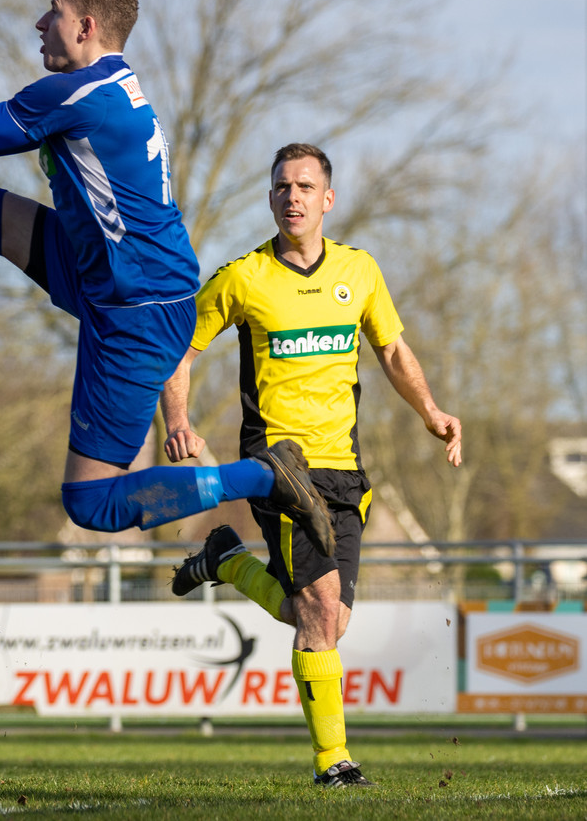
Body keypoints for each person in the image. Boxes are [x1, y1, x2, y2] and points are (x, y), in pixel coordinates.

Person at [0, 0, 334, 544]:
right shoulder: (99, 88)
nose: (40, 23)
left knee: (90, 502)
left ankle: (264, 476)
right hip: (111, 279)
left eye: (56, 14)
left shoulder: (78, 96)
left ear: (87, 26)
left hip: (134, 314)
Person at [160, 142, 463, 788]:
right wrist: (177, 422)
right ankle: (335, 765)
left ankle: (225, 560)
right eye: (279, 187)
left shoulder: (360, 270)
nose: (290, 197)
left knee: (327, 619)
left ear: (326, 199)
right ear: (268, 198)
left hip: (343, 469)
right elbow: (178, 351)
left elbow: (389, 348)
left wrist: (430, 411)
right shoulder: (241, 278)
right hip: (277, 464)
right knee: (320, 611)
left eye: (302, 186)